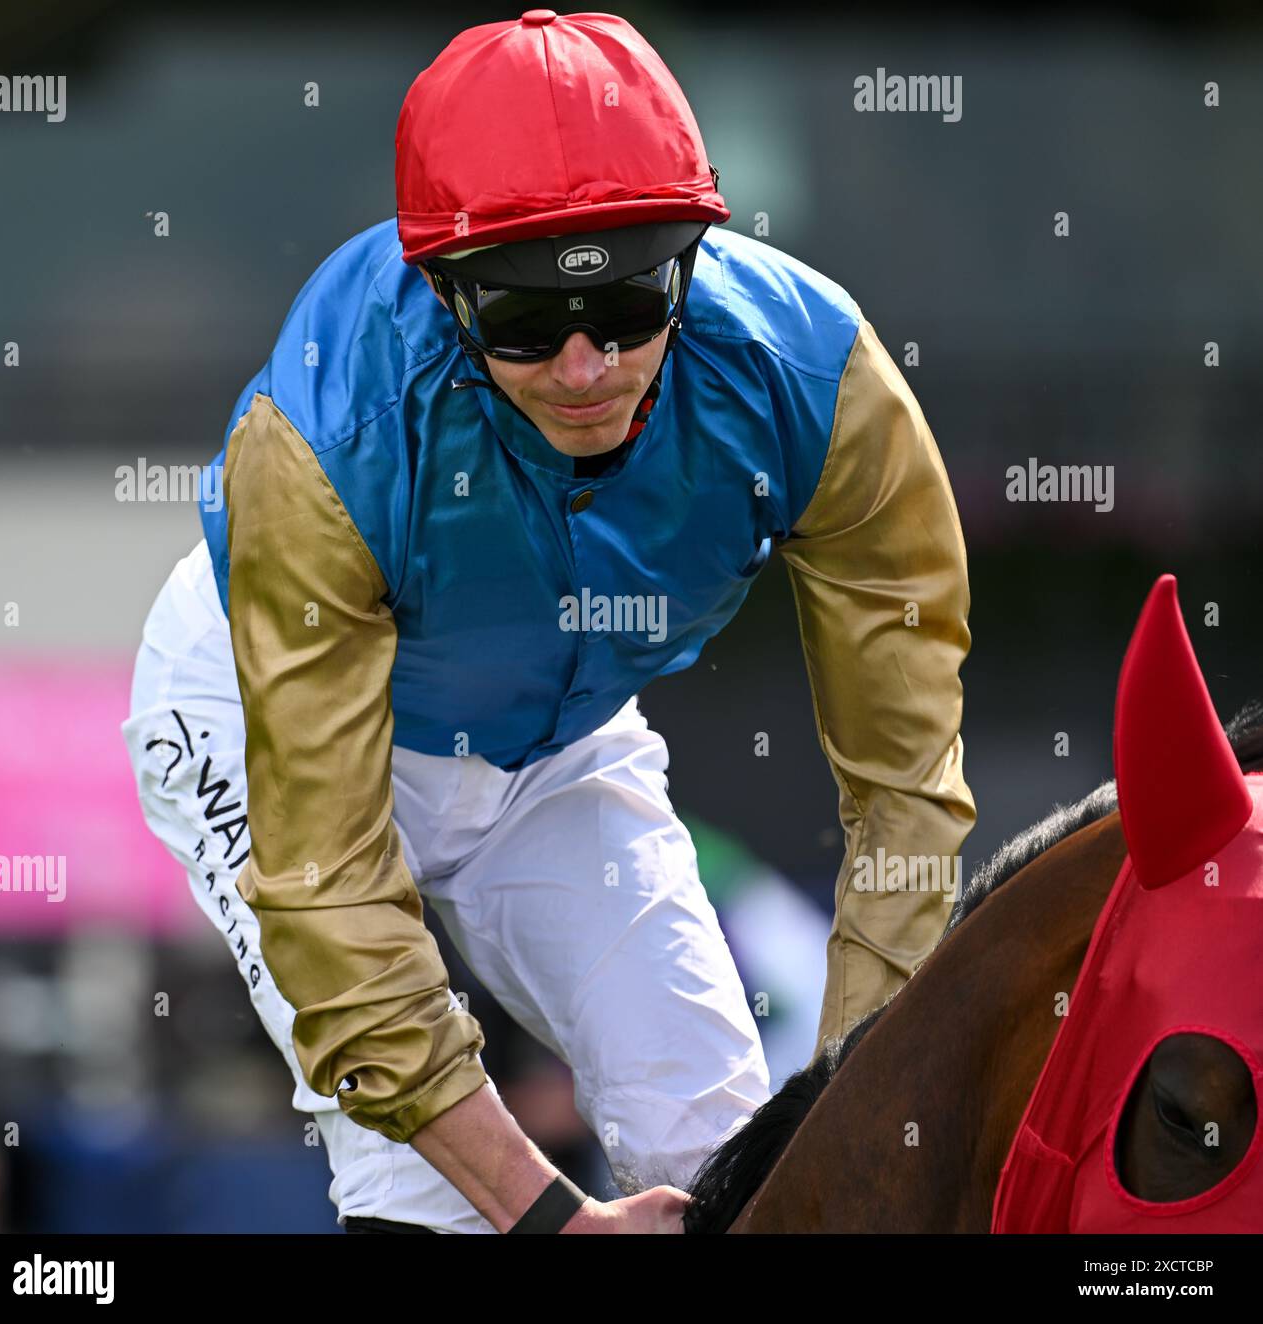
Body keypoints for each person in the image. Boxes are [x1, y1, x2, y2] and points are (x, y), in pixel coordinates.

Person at [122, 8, 975, 1235]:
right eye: (524, 322)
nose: (585, 368)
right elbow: (334, 910)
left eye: (628, 305)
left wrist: (847, 1122)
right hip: (255, 709)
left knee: (737, 1144)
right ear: (441, 291)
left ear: (693, 261)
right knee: (427, 1195)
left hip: (557, 744)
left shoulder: (821, 385)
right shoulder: (321, 446)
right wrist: (549, 1219)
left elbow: (905, 790)